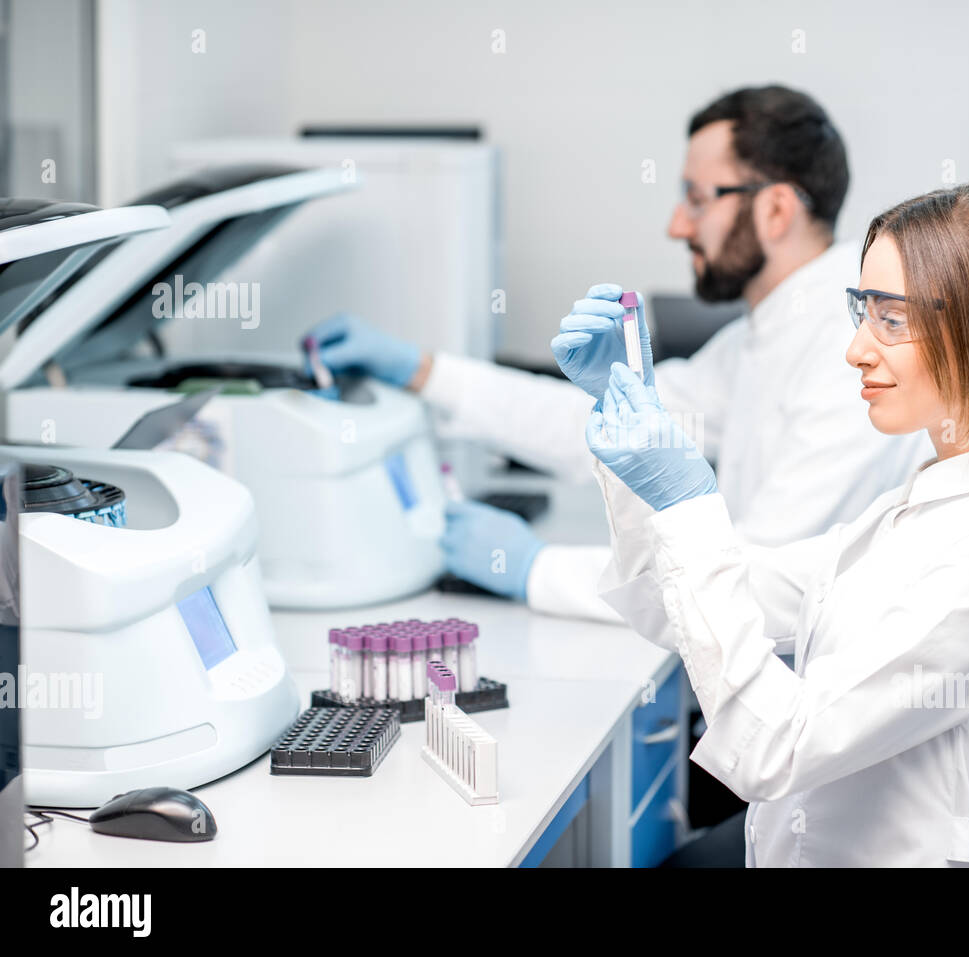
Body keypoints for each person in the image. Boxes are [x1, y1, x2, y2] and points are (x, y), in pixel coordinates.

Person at [567, 149, 969, 866]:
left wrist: (692, 503)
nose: (856, 349)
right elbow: (670, 604)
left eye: (893, 319)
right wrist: (635, 443)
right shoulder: (916, 512)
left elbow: (777, 747)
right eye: (864, 311)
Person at [301, 85, 931, 624]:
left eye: (698, 198)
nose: (677, 226)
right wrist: (422, 371)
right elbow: (596, 426)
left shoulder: (848, 352)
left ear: (774, 209)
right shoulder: (764, 334)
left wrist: (536, 570)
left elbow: (750, 590)